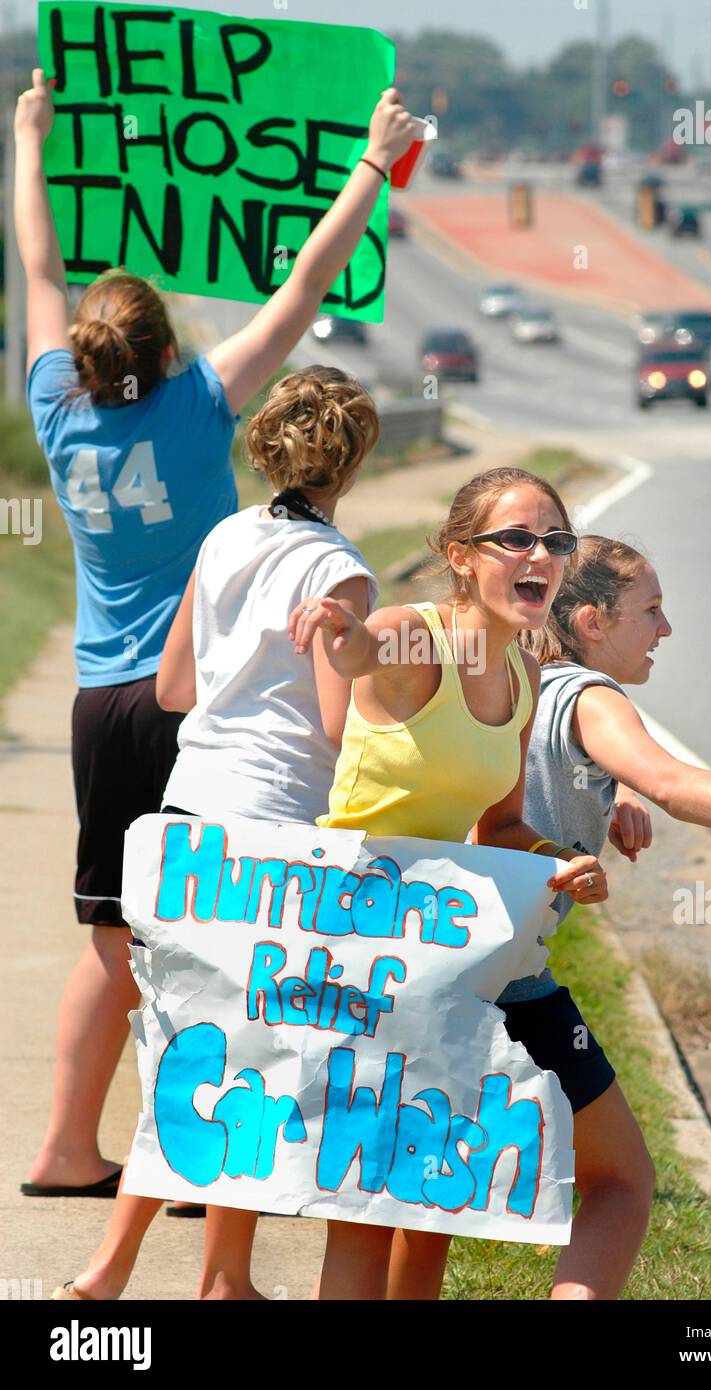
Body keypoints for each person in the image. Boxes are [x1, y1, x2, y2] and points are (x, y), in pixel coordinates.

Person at [16, 62, 412, 1222]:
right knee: (208, 934)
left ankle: (64, 1146)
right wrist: (375, 162)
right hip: (187, 705)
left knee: (108, 931)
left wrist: (25, 137)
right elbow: (304, 284)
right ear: (166, 347)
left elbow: (37, 267)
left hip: (96, 701)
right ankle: (197, 1151)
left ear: (88, 355)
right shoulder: (196, 408)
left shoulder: (53, 406)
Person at [388, 534, 711, 1300]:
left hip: (422, 958)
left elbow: (547, 770)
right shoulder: (592, 698)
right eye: (652, 610)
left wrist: (614, 790)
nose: (667, 629)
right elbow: (672, 779)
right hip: (506, 981)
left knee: (426, 1192)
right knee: (621, 1183)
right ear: (595, 624)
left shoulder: (513, 674)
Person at [56, 365, 384, 1300]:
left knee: (190, 1047)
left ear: (265, 447)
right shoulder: (339, 570)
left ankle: (138, 1271)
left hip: (190, 811)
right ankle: (213, 1280)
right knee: (259, 1059)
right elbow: (335, 724)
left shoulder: (225, 535)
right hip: (276, 827)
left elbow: (172, 691)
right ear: (352, 462)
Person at [288, 466, 610, 1299]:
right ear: (461, 555)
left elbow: (498, 827)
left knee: (434, 1202)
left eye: (555, 541)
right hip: (354, 947)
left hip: (440, 957)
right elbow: (367, 647)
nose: (539, 555)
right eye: (515, 539)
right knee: (363, 1206)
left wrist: (557, 859)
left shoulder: (526, 675)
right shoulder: (417, 636)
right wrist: (340, 630)